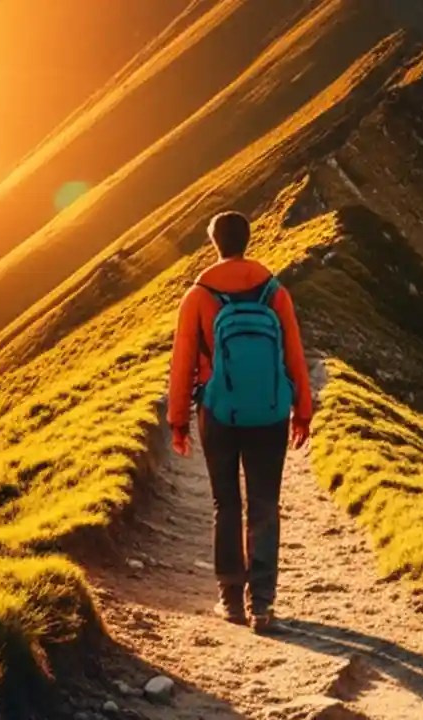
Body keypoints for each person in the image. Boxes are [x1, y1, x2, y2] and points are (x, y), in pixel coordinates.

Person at [167, 210, 314, 633]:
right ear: (248, 240)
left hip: (218, 414)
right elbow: (294, 356)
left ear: (214, 242)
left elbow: (182, 365)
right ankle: (262, 604)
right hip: (269, 413)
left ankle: (231, 601)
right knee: (265, 503)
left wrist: (178, 421)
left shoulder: (198, 296)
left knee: (226, 502)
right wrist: (302, 410)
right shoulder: (275, 292)